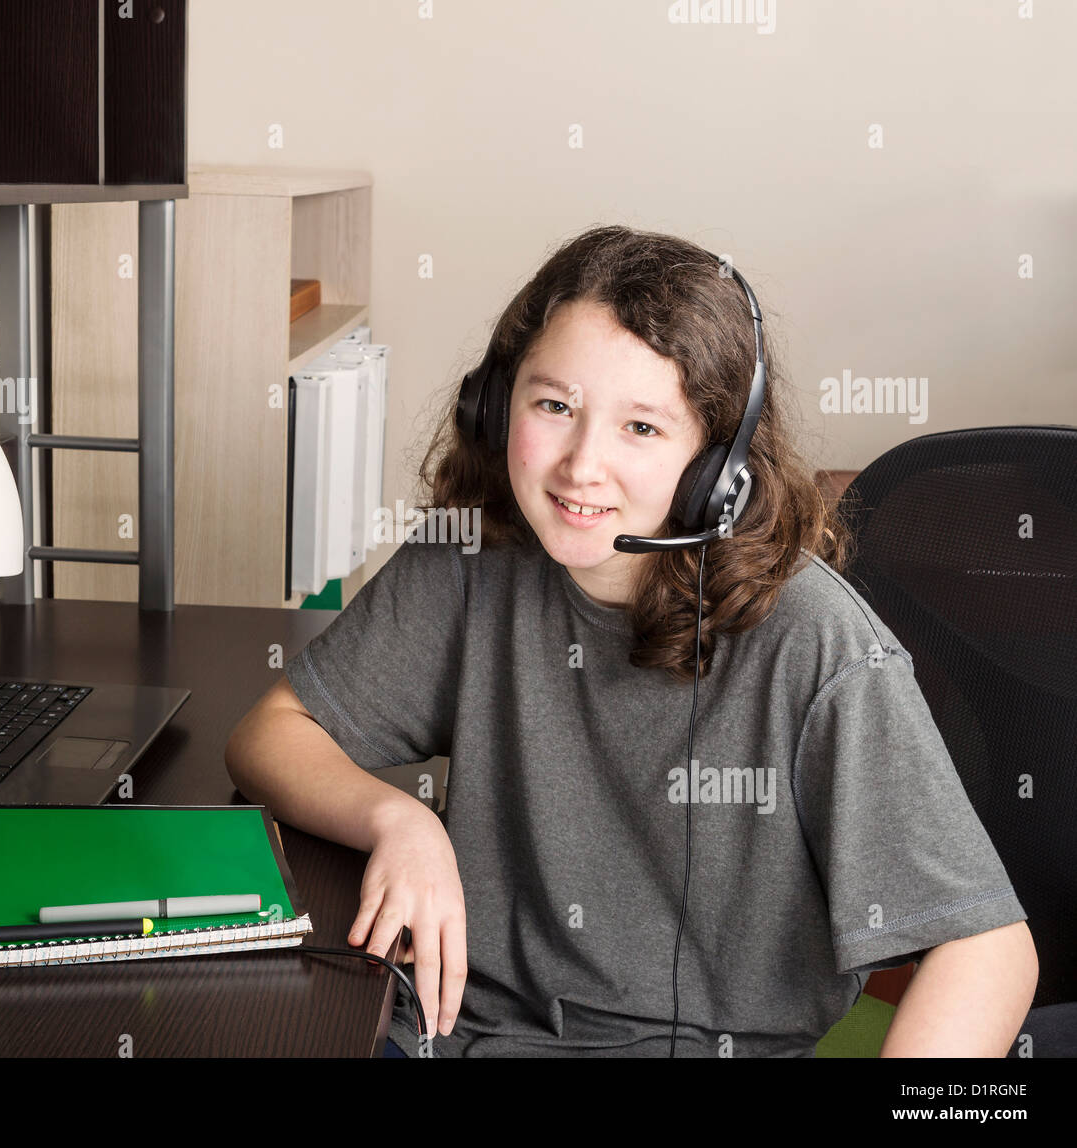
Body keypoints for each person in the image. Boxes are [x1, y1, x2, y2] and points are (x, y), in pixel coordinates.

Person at [224, 226, 1037, 1058]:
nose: (582, 466)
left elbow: (989, 947)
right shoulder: (471, 558)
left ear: (717, 469)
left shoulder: (816, 644)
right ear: (497, 405)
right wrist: (400, 823)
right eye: (554, 406)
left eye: (642, 428)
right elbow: (270, 734)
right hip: (454, 1032)